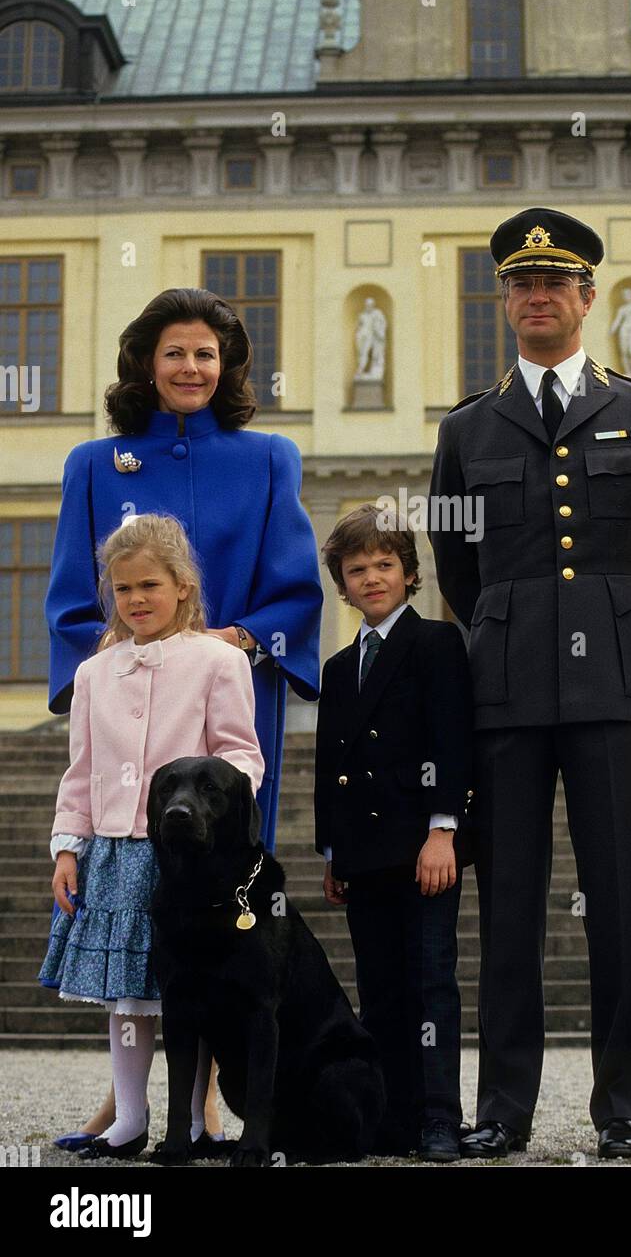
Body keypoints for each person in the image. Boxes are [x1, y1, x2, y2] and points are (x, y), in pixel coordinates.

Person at [429, 207, 631, 1160]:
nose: (537, 297)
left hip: (618, 693)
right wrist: (509, 632)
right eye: (521, 284)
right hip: (505, 695)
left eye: (554, 283)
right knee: (508, 908)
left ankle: (623, 1108)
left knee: (620, 904)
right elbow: (456, 566)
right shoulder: (466, 428)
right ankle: (503, 1109)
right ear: (504, 301)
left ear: (589, 298)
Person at [44, 286, 322, 1148]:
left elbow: (296, 590)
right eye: (175, 352)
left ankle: (197, 1101)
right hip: (129, 711)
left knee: (215, 913)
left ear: (226, 364)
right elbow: (70, 600)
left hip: (229, 692)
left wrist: (234, 639)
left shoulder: (270, 457)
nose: (192, 367)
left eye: (207, 353)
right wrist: (123, 655)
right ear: (146, 362)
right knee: (133, 926)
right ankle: (135, 1105)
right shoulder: (95, 462)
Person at [39, 513, 265, 1158]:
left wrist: (205, 806)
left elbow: (242, 754)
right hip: (113, 852)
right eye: (123, 589)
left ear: (183, 586)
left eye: (150, 585)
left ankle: (192, 1121)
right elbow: (80, 769)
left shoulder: (221, 661)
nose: (136, 599)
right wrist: (67, 847)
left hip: (190, 860)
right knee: (126, 997)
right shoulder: (92, 674)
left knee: (192, 991)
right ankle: (130, 1120)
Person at [314, 504, 474, 1162]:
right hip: (363, 852)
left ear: (409, 573)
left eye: (385, 564)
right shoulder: (337, 668)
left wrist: (444, 831)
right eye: (357, 570)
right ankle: (392, 1118)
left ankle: (439, 1118)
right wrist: (332, 851)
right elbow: (331, 763)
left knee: (430, 982)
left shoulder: (436, 643)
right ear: (342, 585)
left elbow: (452, 743)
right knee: (378, 986)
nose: (372, 578)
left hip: (422, 848)